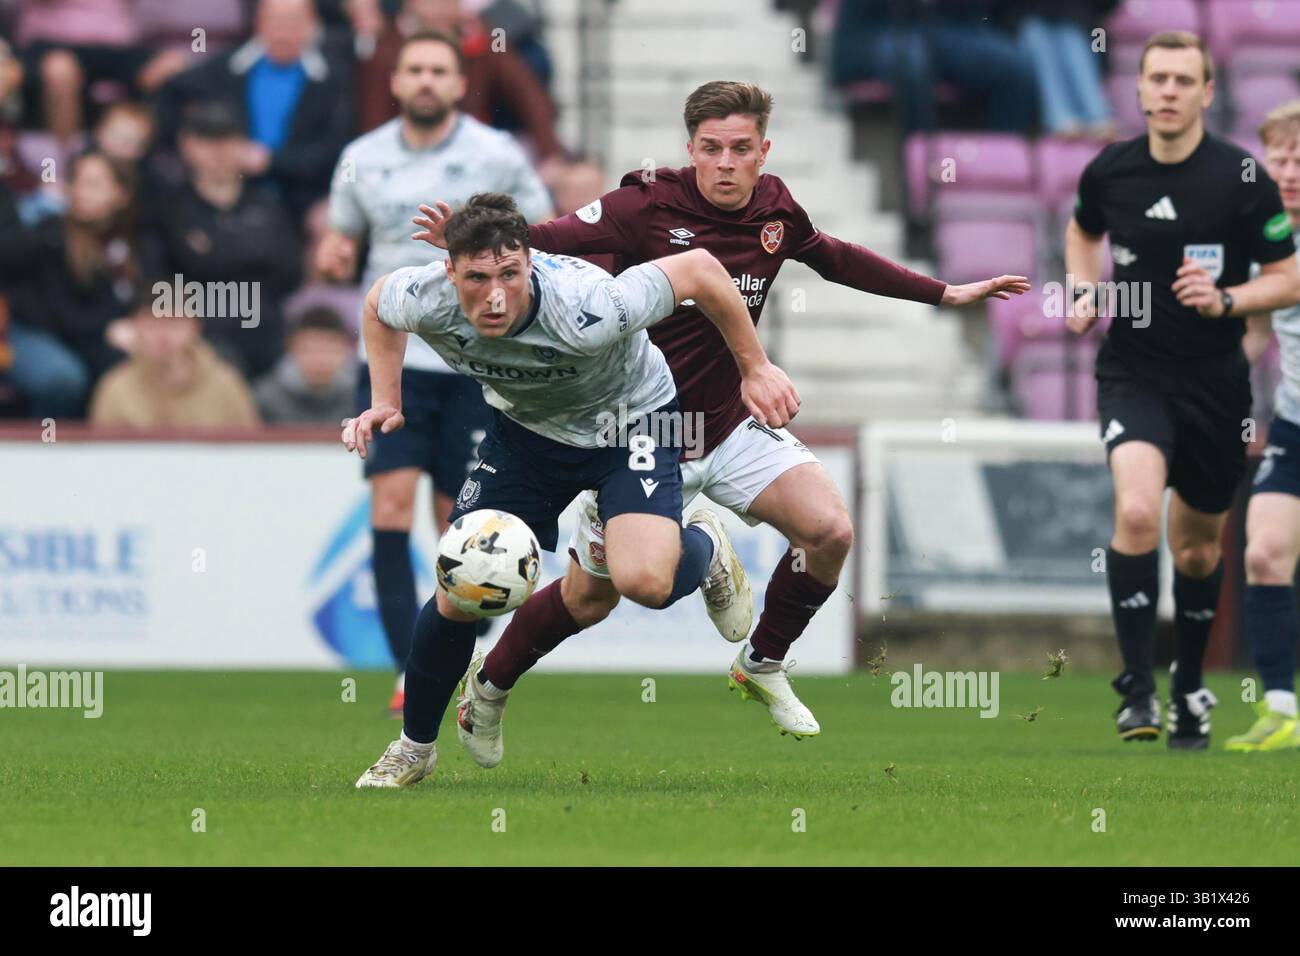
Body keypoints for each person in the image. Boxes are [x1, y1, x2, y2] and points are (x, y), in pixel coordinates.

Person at [413, 81, 1026, 762]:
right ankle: (490, 686)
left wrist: (941, 292)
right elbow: (541, 242)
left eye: (741, 149)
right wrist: (469, 236)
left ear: (764, 150)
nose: (726, 162)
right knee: (593, 598)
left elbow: (835, 257)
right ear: (691, 150)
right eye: (712, 149)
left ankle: (762, 662)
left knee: (830, 531)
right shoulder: (643, 205)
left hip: (729, 423)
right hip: (643, 433)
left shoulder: (776, 209)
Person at [350, 192, 799, 787]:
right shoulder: (425, 295)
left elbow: (700, 270)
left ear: (530, 263)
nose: (495, 295)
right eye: (477, 278)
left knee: (644, 582)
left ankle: (706, 548)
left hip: (633, 422)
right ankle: (414, 748)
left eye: (510, 274)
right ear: (449, 272)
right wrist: (386, 399)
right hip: (528, 436)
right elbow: (378, 305)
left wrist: (754, 366)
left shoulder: (589, 305)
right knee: (459, 589)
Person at [1065, 32, 1300, 748]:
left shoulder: (1243, 179)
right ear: (1138, 90)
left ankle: (1189, 685)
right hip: (1133, 374)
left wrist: (1227, 300)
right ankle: (1137, 690)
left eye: (1182, 80)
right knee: (1136, 511)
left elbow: (1288, 276)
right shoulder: (1109, 172)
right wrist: (1082, 290)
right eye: (1156, 78)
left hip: (1217, 388)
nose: (1167, 91)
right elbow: (1081, 234)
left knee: (1199, 549)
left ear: (1206, 93)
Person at [320, 29, 553, 716]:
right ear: (395, 82)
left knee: (459, 523)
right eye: (413, 69)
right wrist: (335, 255)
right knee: (389, 507)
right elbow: (340, 239)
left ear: (458, 83)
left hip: (476, 361)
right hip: (395, 356)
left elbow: (544, 234)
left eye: (438, 71)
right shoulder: (361, 158)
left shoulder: (495, 153)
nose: (425, 80)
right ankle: (406, 668)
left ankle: (459, 655)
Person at [1227, 100, 1300, 752]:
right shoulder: (1262, 244)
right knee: (1263, 553)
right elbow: (1251, 337)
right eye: (1280, 157)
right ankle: (1281, 710)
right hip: (1294, 426)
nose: (1291, 169)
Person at [140, 100, 303, 378]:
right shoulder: (167, 210)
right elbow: (158, 281)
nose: (218, 150)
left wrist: (212, 253)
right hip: (196, 342)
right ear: (186, 144)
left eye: (227, 139)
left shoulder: (268, 206)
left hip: (268, 336)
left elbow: (290, 273)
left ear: (244, 144)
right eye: (206, 139)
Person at [156, 0, 354, 219]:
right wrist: (190, 146)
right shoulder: (229, 66)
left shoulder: (330, 77)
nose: (283, 33)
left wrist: (271, 162)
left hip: (302, 194)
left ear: (313, 26)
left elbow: (334, 149)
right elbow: (170, 90)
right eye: (275, 22)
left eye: (293, 22)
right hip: (233, 186)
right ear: (258, 24)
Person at [89, 298, 260, 428]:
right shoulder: (115, 388)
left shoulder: (226, 385)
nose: (163, 336)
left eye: (173, 323)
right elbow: (102, 462)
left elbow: (251, 454)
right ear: (136, 325)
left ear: (195, 326)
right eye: (153, 323)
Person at [254, 306, 357, 424]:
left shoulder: (362, 398)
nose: (320, 360)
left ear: (345, 348)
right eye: (310, 350)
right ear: (292, 349)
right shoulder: (266, 399)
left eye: (328, 350)